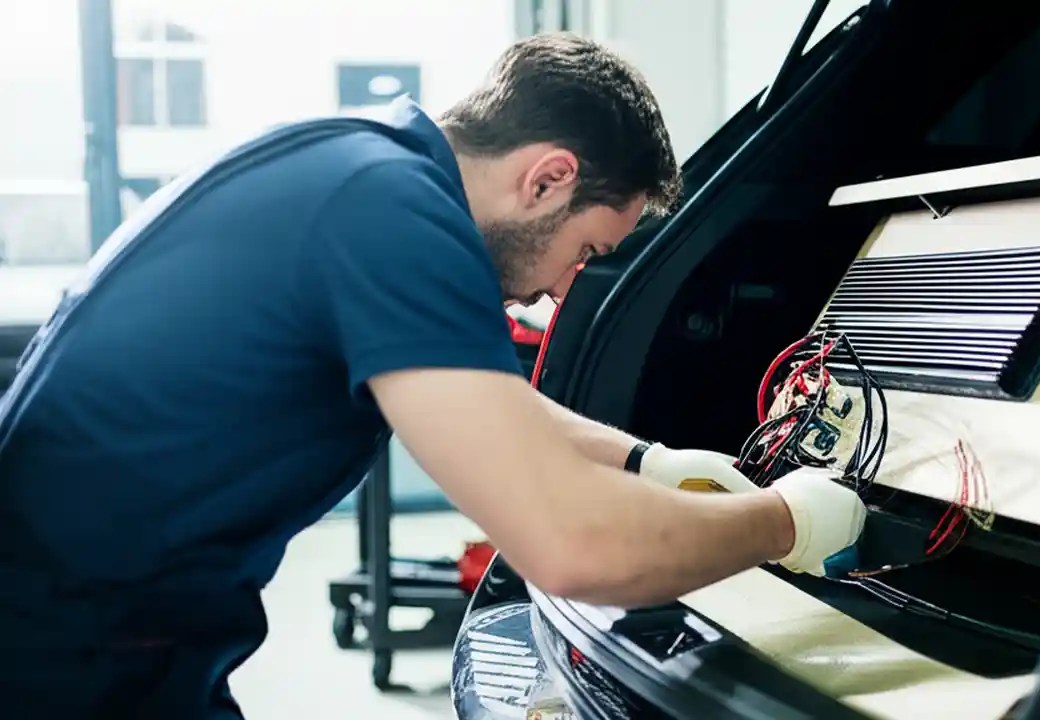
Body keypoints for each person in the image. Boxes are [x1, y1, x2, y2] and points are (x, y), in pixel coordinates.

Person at [0, 33, 865, 717]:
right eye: (588, 249)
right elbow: (573, 546)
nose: (566, 285)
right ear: (547, 178)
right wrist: (784, 521)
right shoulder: (391, 213)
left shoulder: (366, 171)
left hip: (98, 636)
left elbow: (490, 408)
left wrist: (647, 461)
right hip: (66, 660)